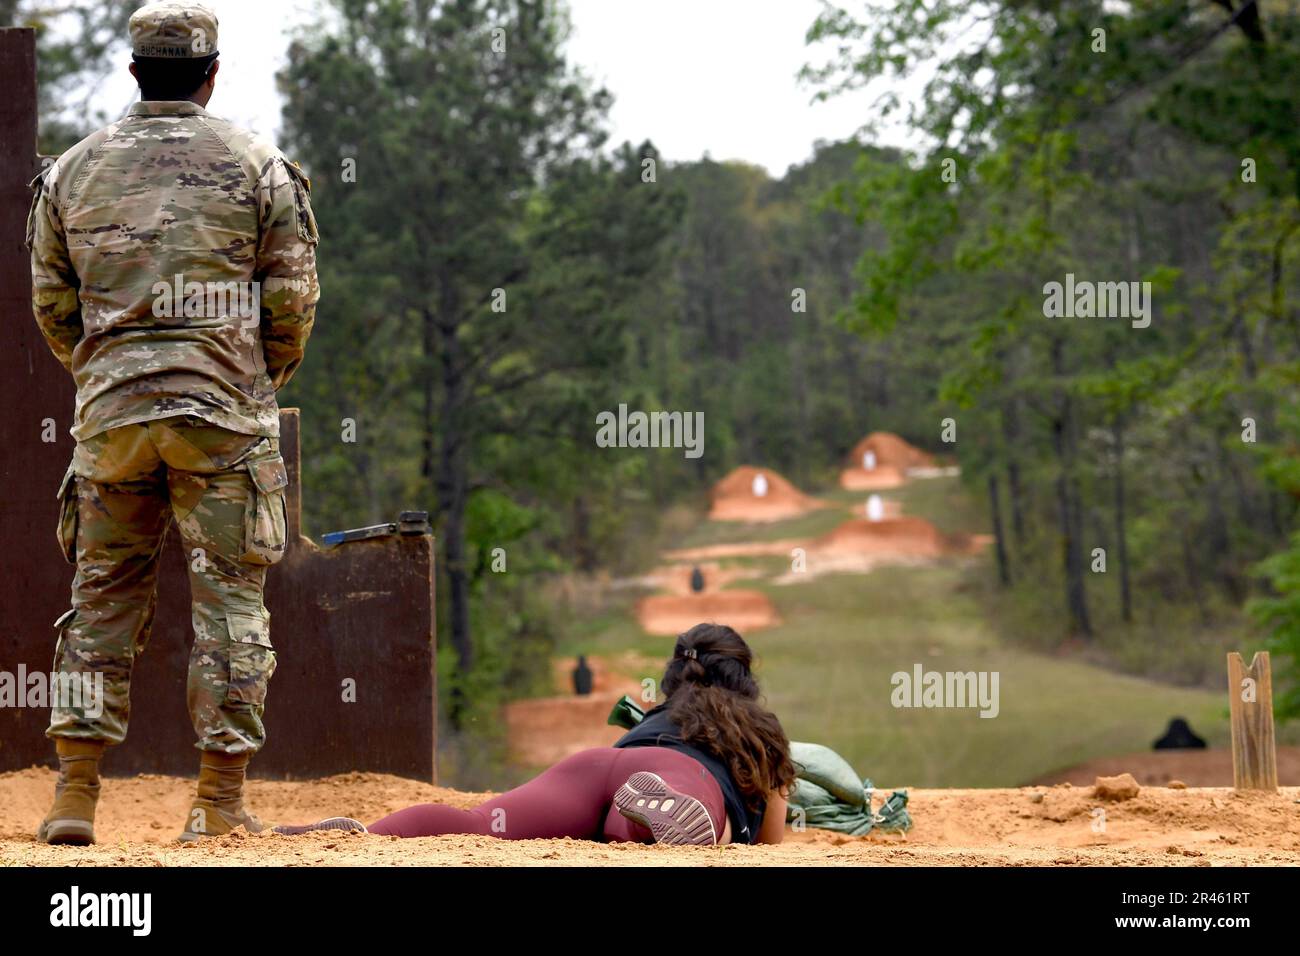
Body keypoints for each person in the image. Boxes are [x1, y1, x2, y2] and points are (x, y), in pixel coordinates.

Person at [26, 1, 319, 845]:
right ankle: (218, 805)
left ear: (132, 71)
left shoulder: (74, 171)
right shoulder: (258, 165)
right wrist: (253, 380)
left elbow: (52, 303)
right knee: (230, 609)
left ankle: (74, 798)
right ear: (212, 71)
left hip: (112, 421)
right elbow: (292, 303)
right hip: (222, 420)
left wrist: (104, 375)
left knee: (99, 600)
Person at [277, 624, 797, 846]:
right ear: (743, 680)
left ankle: (366, 835)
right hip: (677, 777)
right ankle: (667, 814)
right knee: (687, 822)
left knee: (478, 822)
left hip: (600, 766)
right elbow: (771, 840)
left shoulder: (663, 714)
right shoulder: (757, 732)